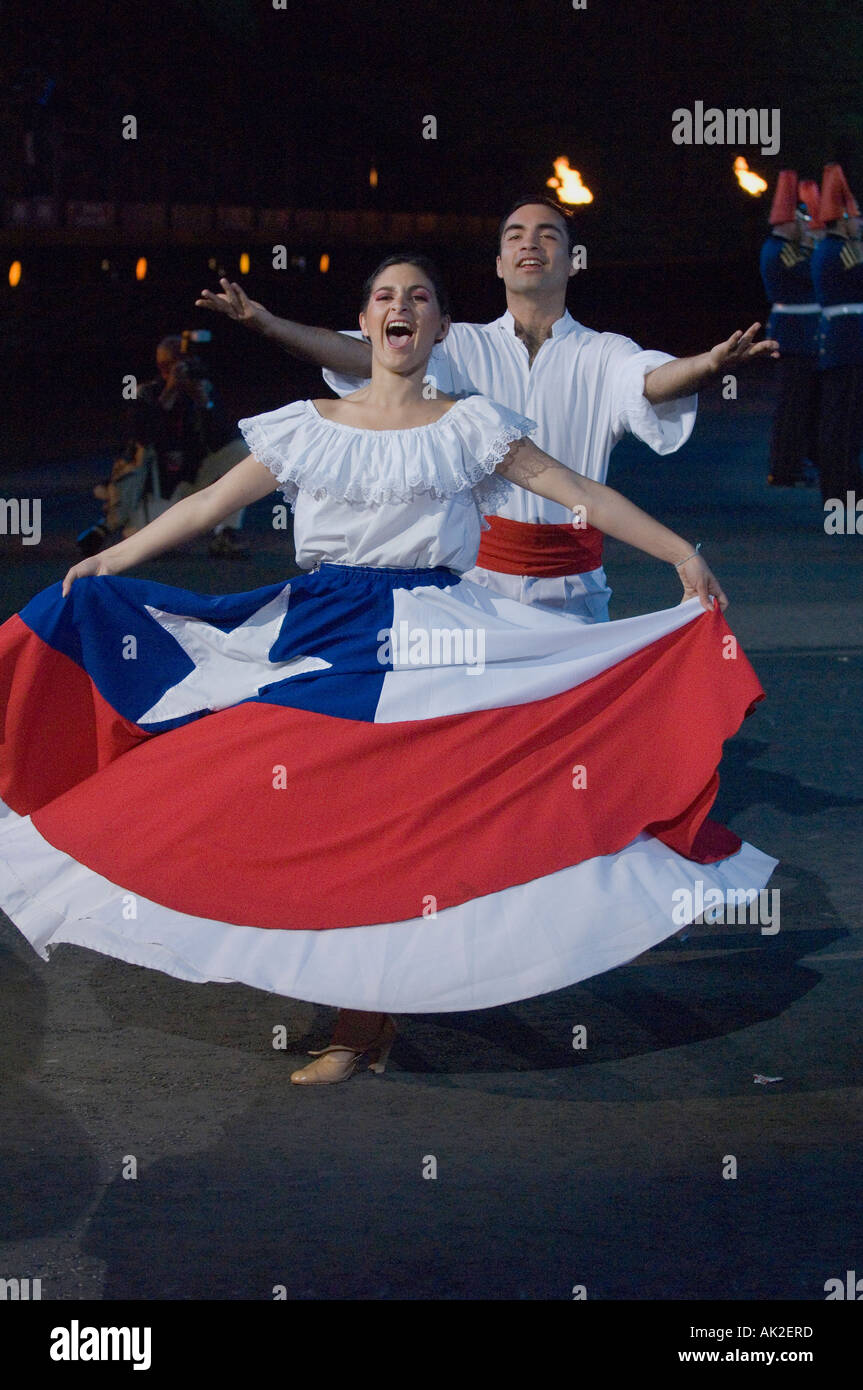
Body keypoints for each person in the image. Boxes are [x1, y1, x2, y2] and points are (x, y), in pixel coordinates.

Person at [0, 253, 777, 1088]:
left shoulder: (471, 424)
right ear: (363, 325)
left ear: (439, 328)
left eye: (418, 298)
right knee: (238, 782)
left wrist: (677, 552)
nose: (398, 307)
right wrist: (110, 561)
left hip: (431, 641)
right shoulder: (306, 423)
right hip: (318, 628)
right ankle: (349, 1005)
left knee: (397, 822)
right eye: (382, 297)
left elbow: (575, 488)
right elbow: (203, 507)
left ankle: (360, 1021)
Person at [197, 196, 777, 621]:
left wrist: (709, 363)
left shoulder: (605, 353)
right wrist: (268, 325)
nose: (531, 243)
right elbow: (364, 350)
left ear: (574, 260)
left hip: (576, 590)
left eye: (548, 235)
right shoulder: (459, 344)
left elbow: (651, 382)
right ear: (499, 263)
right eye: (516, 235)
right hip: (474, 591)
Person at [77, 335, 250, 559]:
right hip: (157, 489)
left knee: (240, 452)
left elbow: (222, 440)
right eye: (174, 364)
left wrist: (204, 403)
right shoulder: (146, 393)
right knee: (146, 543)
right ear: (162, 367)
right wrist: (168, 395)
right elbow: (141, 439)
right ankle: (108, 526)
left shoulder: (200, 390)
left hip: (191, 481)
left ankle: (226, 533)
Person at [759, 170, 823, 487]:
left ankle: (795, 462)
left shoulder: (787, 248)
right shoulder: (781, 250)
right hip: (795, 336)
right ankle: (784, 467)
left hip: (802, 335)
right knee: (792, 407)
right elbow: (815, 271)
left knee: (801, 405)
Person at [810, 164, 863, 504]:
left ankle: (840, 483)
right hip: (849, 343)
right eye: (856, 218)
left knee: (839, 418)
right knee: (846, 420)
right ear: (843, 219)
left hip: (840, 340)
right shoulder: (845, 250)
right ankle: (844, 485)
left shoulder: (833, 249)